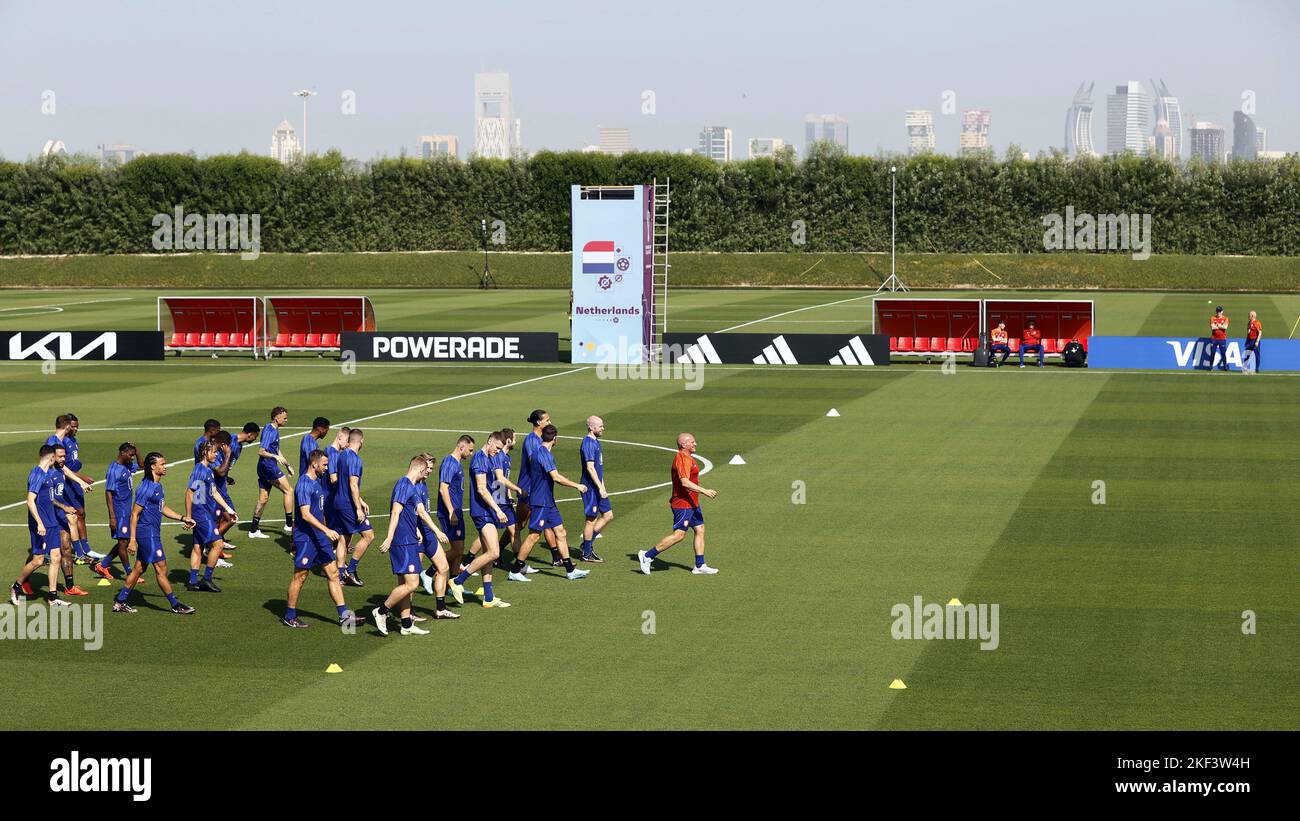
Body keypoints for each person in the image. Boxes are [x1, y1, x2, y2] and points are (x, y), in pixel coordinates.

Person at [284, 450, 359, 629]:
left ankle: (344, 617)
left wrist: (326, 532)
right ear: (314, 464)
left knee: (333, 574)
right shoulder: (304, 484)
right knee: (300, 576)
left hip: (320, 538)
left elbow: (320, 512)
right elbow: (305, 514)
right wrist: (326, 530)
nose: (327, 468)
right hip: (306, 538)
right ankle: (290, 615)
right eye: (324, 465)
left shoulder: (317, 483)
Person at [113, 452, 196, 615]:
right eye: (162, 464)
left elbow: (162, 508)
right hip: (147, 534)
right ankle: (175, 604)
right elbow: (134, 514)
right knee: (161, 567)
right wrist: (132, 540)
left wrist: (182, 518)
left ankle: (120, 601)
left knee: (139, 568)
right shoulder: (146, 488)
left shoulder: (157, 486)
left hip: (152, 532)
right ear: (153, 466)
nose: (165, 467)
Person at [507, 424, 590, 582]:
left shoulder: (538, 451)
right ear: (555, 439)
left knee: (560, 532)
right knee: (534, 536)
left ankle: (570, 570)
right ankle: (515, 570)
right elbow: (556, 477)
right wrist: (577, 485)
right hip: (540, 502)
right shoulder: (544, 454)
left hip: (548, 501)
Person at [374, 456, 445, 636]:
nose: (427, 474)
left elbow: (421, 512)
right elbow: (396, 512)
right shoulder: (404, 485)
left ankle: (406, 624)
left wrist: (435, 531)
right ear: (419, 469)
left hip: (411, 539)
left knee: (405, 584)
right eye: (425, 471)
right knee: (412, 583)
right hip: (401, 541)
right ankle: (381, 611)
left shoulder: (413, 487)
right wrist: (389, 538)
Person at [637, 433, 719, 576]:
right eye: (692, 442)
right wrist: (704, 491)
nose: (695, 444)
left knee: (700, 529)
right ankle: (647, 556)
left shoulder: (689, 458)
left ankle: (699, 565)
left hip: (692, 502)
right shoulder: (682, 458)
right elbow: (684, 482)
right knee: (679, 535)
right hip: (683, 504)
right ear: (683, 445)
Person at [449, 432, 511, 609]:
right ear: (489, 442)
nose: (498, 451)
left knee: (487, 554)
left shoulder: (493, 457)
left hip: (490, 511)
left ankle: (488, 597)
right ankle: (458, 581)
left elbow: (498, 481)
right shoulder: (479, 459)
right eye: (497, 448)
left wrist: (502, 502)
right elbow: (482, 489)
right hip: (482, 512)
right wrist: (498, 510)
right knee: (494, 552)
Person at [11, 445, 70, 606]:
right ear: (51, 458)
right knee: (37, 560)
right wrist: (39, 522)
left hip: (51, 523)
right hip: (40, 525)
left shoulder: (49, 474)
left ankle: (52, 597)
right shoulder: (37, 474)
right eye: (55, 458)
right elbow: (30, 501)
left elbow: (48, 498)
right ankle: (16, 587)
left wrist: (63, 509)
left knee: (56, 557)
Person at [185, 441, 236, 593]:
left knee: (197, 547)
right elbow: (189, 493)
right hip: (200, 514)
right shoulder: (199, 470)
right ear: (205, 453)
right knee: (218, 544)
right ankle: (206, 579)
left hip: (205, 512)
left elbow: (213, 492)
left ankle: (193, 581)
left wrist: (228, 508)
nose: (215, 454)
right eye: (213, 452)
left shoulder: (207, 470)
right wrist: (189, 516)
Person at [47, 414, 96, 564]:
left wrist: (80, 481)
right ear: (68, 426)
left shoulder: (66, 440)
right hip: (52, 488)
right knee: (53, 521)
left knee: (72, 518)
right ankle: (46, 553)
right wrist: (80, 478)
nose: (75, 429)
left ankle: (80, 553)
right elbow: (54, 467)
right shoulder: (53, 442)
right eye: (73, 426)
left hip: (63, 483)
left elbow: (64, 469)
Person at [414, 453, 457, 619]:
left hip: (428, 534)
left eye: (431, 468)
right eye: (427, 468)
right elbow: (419, 513)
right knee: (412, 580)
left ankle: (440, 608)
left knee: (444, 567)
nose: (429, 471)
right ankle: (408, 613)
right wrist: (437, 531)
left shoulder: (423, 484)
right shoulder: (413, 485)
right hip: (417, 536)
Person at [516, 410, 561, 566]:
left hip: (539, 490)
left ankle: (557, 558)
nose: (549, 423)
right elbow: (534, 463)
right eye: (546, 420)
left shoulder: (540, 440)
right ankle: (498, 555)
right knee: (519, 525)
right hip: (528, 488)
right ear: (538, 423)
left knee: (546, 522)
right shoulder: (532, 441)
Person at [331, 428, 374, 586]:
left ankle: (340, 574)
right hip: (348, 505)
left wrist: (361, 500)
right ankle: (352, 569)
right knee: (368, 535)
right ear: (361, 441)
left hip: (338, 502)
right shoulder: (355, 459)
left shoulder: (342, 455)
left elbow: (342, 481)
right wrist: (358, 508)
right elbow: (353, 484)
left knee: (344, 537)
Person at [92, 442, 139, 580]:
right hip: (119, 512)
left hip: (126, 510)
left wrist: (137, 450)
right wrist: (112, 517)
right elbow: (108, 493)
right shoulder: (114, 470)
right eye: (131, 455)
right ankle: (130, 573)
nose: (133, 458)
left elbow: (142, 466)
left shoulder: (127, 465)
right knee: (123, 543)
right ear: (123, 453)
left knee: (122, 542)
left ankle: (103, 565)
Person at [248, 406, 294, 538]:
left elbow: (275, 449)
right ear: (276, 417)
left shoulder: (274, 429)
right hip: (268, 467)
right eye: (284, 417)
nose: (286, 419)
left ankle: (253, 529)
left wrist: (287, 465)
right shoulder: (270, 431)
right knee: (288, 490)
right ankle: (289, 524)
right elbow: (261, 451)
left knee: (263, 499)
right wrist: (275, 457)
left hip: (264, 467)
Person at [436, 436, 474, 581]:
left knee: (459, 550)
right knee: (457, 549)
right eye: (469, 450)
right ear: (461, 447)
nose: (470, 454)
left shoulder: (456, 463)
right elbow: (443, 489)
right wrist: (451, 511)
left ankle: (453, 582)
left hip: (456, 511)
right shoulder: (450, 462)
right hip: (449, 513)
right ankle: (429, 571)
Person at [578, 416, 612, 562]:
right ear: (591, 427)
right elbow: (590, 468)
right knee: (590, 520)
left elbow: (598, 469)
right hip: (590, 488)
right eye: (600, 426)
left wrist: (603, 487)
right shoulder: (588, 444)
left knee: (608, 515)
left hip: (597, 487)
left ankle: (586, 545)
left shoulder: (596, 442)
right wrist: (599, 488)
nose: (603, 428)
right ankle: (586, 553)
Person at [1209, 306, 1230, 371]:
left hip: (1222, 339)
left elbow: (1225, 327)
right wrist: (1221, 326)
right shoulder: (1212, 318)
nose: (1218, 313)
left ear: (1222, 311)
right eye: (1217, 311)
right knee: (1212, 353)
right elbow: (1212, 327)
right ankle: (1210, 366)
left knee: (1223, 353)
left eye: (1219, 311)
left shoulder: (1226, 318)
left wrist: (1218, 325)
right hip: (1214, 339)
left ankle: (1225, 366)